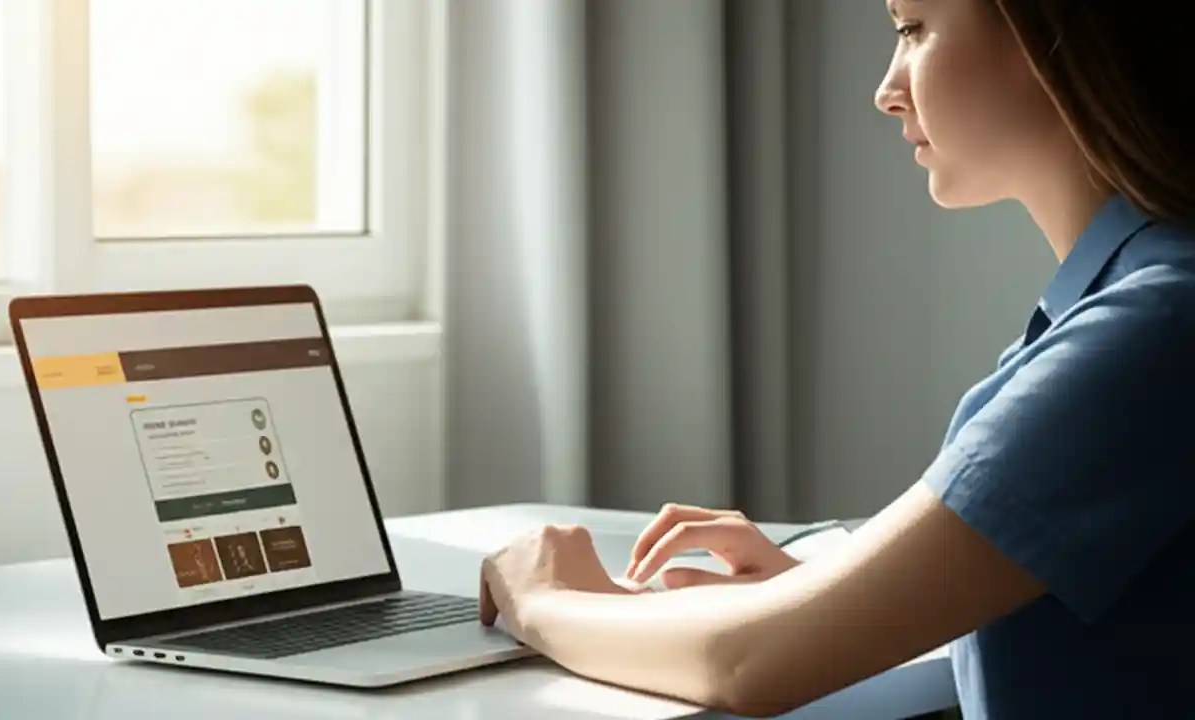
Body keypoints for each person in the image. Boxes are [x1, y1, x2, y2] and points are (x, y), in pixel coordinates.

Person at [477, 0, 1195, 717]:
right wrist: (824, 594)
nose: (887, 90)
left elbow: (747, 661)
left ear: (1046, 36)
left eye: (912, 29)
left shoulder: (1153, 331)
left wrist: (540, 598)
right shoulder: (1128, 306)